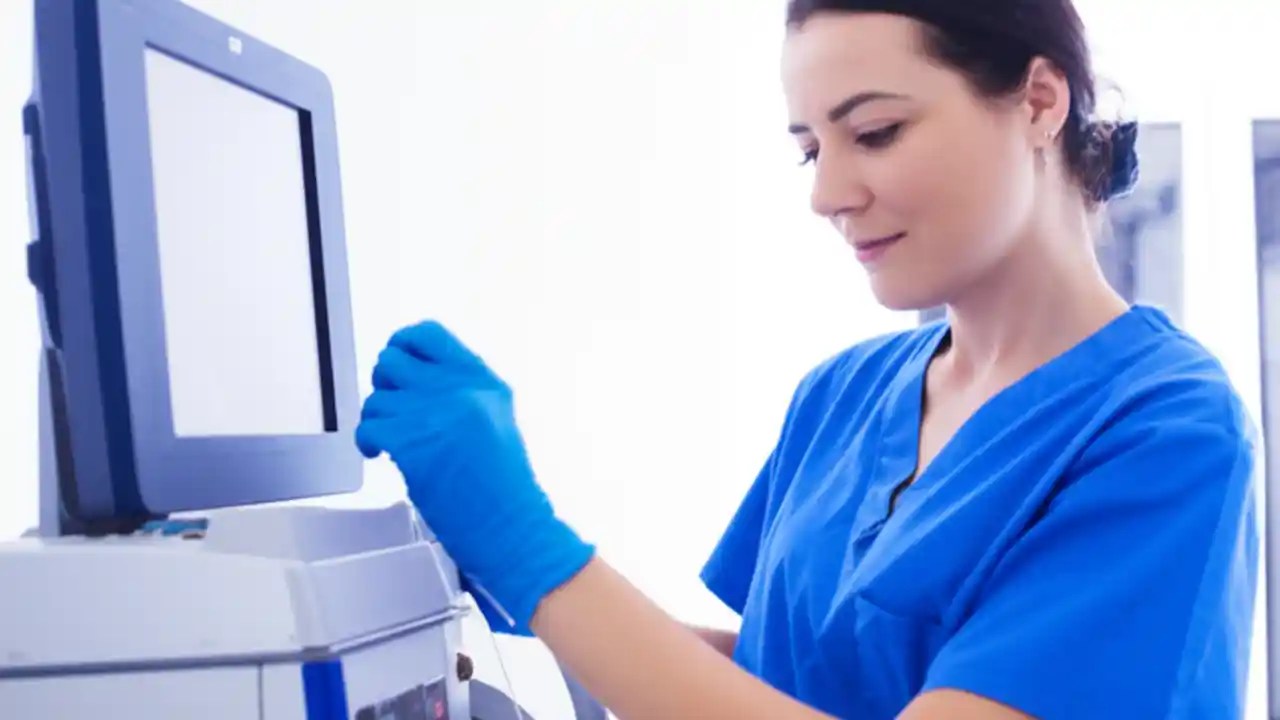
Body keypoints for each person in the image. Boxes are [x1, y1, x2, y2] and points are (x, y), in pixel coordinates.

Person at [354, 0, 1260, 717]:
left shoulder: (1164, 428)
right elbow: (775, 680)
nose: (827, 193)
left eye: (874, 134)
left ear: (1038, 100)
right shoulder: (844, 395)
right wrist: (534, 599)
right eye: (809, 150)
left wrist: (531, 552)